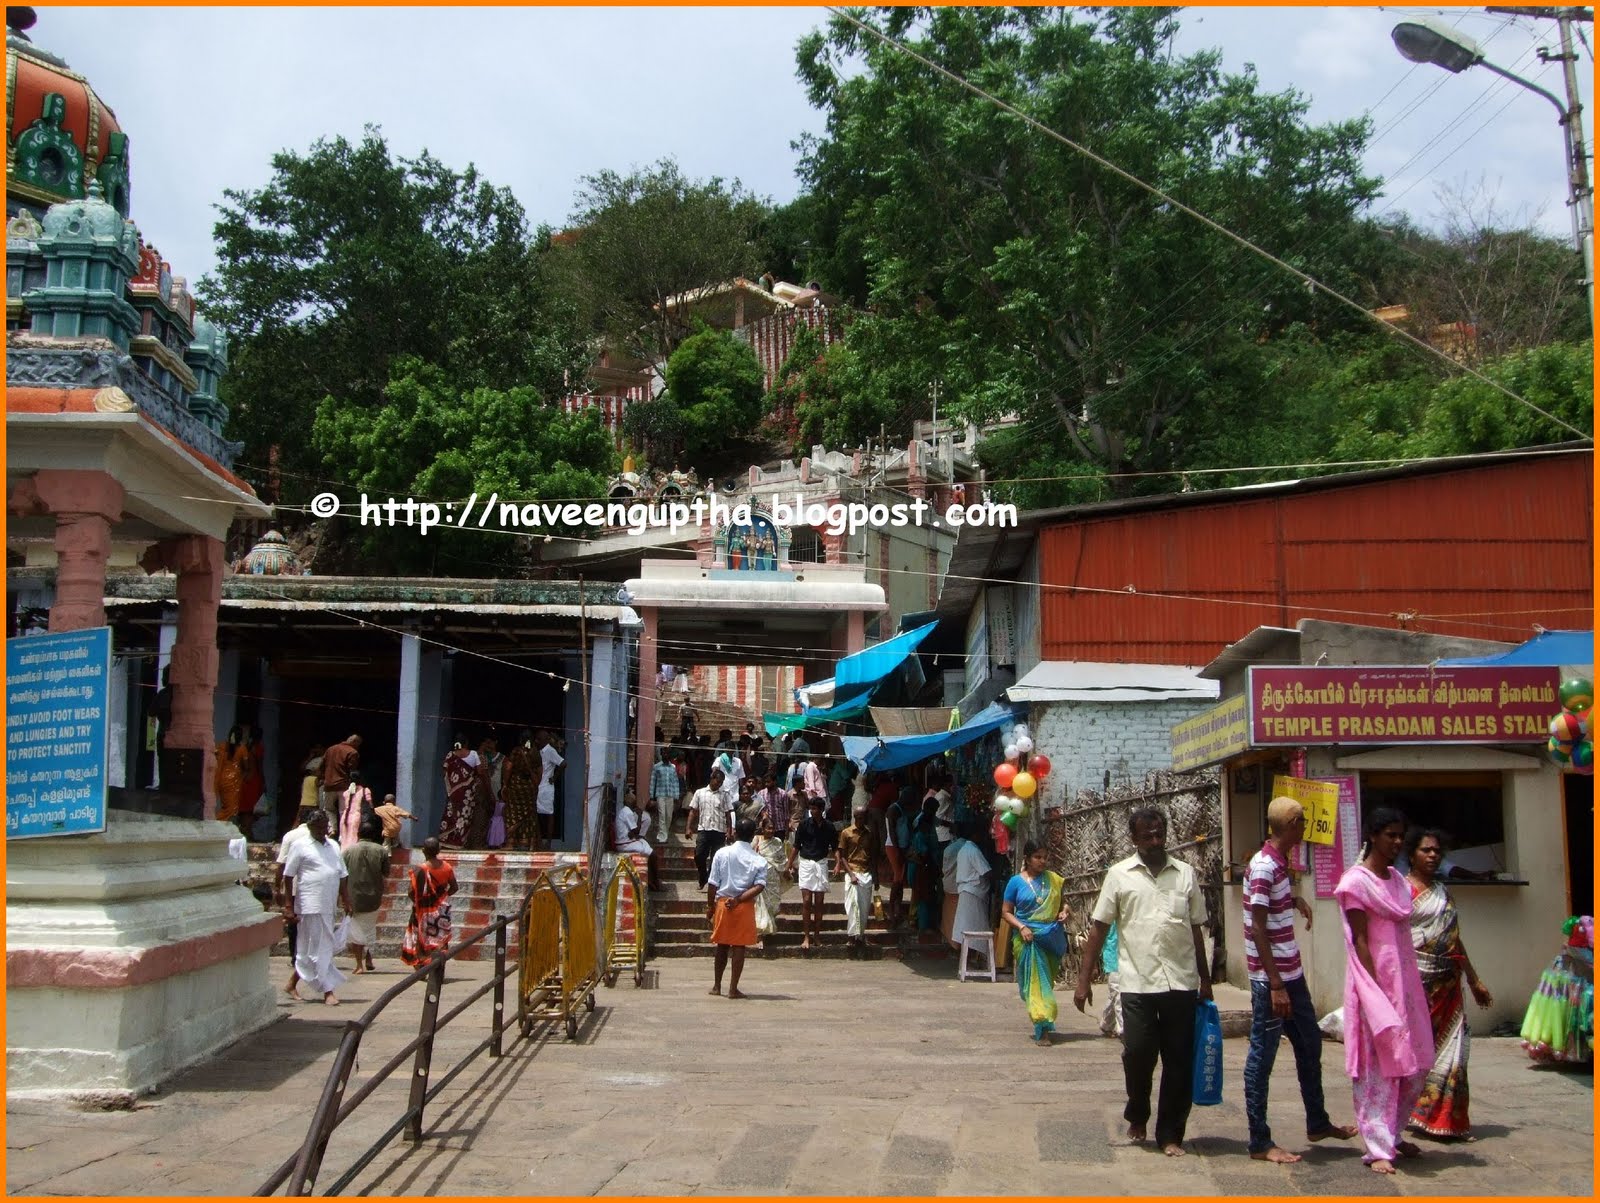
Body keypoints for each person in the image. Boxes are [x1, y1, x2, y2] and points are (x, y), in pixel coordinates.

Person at [1074, 807, 1213, 1157]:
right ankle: (1138, 1111)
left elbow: (1196, 928)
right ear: (1134, 838)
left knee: (1178, 1060)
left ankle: (1170, 1134)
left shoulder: (1185, 874)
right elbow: (1099, 926)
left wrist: (1206, 980)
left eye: (1159, 833)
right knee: (1137, 1053)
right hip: (1136, 982)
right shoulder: (1119, 875)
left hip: (1180, 982)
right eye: (1147, 835)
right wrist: (1083, 979)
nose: (1155, 840)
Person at [1242, 797, 1357, 1164]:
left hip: (1291, 974)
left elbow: (1268, 908)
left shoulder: (1278, 864)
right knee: (1262, 1058)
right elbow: (1257, 928)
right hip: (1271, 980)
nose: (1305, 827)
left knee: (1310, 1045)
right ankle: (1259, 1141)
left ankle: (1317, 1121)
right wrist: (1274, 984)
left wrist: (1292, 900)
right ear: (1291, 824)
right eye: (1302, 821)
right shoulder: (1262, 866)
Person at [1334, 807, 1432, 1174]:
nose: (1396, 842)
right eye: (1389, 835)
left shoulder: (1398, 882)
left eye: (1399, 836)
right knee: (1378, 1069)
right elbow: (1359, 940)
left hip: (1406, 984)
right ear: (1372, 836)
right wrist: (1375, 993)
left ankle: (1392, 1132)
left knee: (1415, 1063)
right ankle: (1377, 1147)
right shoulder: (1356, 883)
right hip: (1374, 986)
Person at [1405, 827, 1493, 1141]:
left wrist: (1474, 977)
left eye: (1436, 851)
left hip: (1449, 984)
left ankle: (1446, 1120)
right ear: (1411, 855)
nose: (1432, 856)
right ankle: (1411, 1112)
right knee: (1417, 1052)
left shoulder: (1443, 892)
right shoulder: (1402, 891)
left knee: (1455, 1053)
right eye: (1425, 850)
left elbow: (1454, 939)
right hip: (1416, 985)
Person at [281, 809, 352, 1005]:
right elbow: (288, 876)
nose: (322, 831)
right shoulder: (300, 845)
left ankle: (292, 983)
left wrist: (346, 899)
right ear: (310, 827)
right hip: (309, 903)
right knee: (319, 948)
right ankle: (328, 991)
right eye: (318, 828)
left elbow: (342, 875)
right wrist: (288, 904)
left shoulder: (334, 846)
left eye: (325, 827)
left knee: (319, 947)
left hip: (329, 904)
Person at [1002, 841, 1070, 1043]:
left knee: (1044, 983)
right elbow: (1006, 912)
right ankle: (1042, 1023)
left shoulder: (1053, 880)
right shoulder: (1015, 882)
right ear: (1027, 858)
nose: (1042, 861)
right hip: (1027, 938)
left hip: (1050, 936)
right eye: (1037, 857)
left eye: (1045, 857)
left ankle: (1043, 1023)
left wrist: (1065, 912)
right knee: (1032, 985)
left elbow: (1064, 903)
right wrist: (1021, 927)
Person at [706, 818, 768, 998]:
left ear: (735, 832)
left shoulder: (722, 853)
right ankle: (733, 988)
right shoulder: (758, 859)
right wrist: (739, 899)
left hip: (723, 903)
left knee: (722, 946)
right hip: (744, 904)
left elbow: (712, 883)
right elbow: (759, 885)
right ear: (753, 836)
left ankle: (717, 986)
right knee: (739, 947)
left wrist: (710, 907)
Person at [273, 805, 317, 998]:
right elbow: (286, 868)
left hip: (301, 890)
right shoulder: (304, 840)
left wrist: (277, 886)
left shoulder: (291, 836)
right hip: (308, 890)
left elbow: (281, 865)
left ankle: (296, 957)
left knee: (297, 929)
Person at [788, 794, 837, 952]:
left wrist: (837, 864)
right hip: (806, 863)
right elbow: (796, 846)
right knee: (807, 901)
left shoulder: (829, 826)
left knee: (819, 902)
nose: (812, 811)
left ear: (821, 810)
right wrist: (789, 864)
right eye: (811, 808)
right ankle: (806, 936)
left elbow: (835, 847)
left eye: (815, 808)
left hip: (821, 863)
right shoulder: (803, 825)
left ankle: (817, 935)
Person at [401, 837, 459, 969]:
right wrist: (442, 897)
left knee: (420, 938)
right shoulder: (447, 867)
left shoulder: (420, 869)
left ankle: (421, 967)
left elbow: (411, 892)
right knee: (440, 938)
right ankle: (438, 967)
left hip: (422, 910)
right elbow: (454, 887)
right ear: (439, 850)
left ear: (423, 851)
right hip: (440, 910)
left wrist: (421, 903)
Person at [342, 817, 391, 974]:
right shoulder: (381, 851)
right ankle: (368, 957)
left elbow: (342, 874)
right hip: (373, 896)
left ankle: (359, 964)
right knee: (369, 929)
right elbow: (386, 872)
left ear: (358, 833)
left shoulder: (348, 851)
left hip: (353, 896)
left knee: (356, 930)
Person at [834, 805, 880, 954]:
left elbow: (873, 856)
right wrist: (851, 874)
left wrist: (876, 876)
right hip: (852, 872)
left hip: (866, 873)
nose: (860, 820)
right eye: (858, 817)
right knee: (853, 906)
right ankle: (852, 936)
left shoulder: (870, 833)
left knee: (864, 908)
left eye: (863, 817)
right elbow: (843, 857)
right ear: (855, 817)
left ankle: (860, 935)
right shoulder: (846, 833)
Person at [944, 821, 992, 951]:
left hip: (966, 891)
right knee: (975, 928)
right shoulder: (973, 850)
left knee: (966, 926)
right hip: (973, 892)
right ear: (975, 835)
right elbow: (986, 871)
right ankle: (974, 954)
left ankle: (968, 955)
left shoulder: (964, 849)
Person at [685, 769, 735, 889]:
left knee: (715, 858)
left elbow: (728, 814)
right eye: (718, 781)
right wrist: (688, 828)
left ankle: (710, 881)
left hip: (719, 830)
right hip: (704, 829)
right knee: (699, 855)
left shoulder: (724, 795)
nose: (719, 784)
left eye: (721, 782)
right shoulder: (700, 793)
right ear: (712, 778)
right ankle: (703, 876)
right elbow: (693, 811)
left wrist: (729, 830)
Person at [438, 739, 489, 850]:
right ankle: (460, 842)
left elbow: (444, 771)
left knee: (451, 814)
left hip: (454, 792)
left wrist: (455, 783)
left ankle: (447, 841)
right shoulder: (474, 754)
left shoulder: (451, 755)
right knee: (465, 816)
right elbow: (480, 771)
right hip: (468, 792)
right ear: (466, 743)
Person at [907, 800, 942, 936]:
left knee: (921, 894)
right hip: (921, 867)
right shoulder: (921, 826)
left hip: (924, 865)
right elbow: (924, 853)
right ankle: (918, 923)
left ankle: (917, 921)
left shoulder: (929, 821)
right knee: (921, 894)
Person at [751, 811, 788, 940]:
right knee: (761, 906)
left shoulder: (777, 841)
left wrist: (786, 872)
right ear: (763, 829)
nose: (771, 831)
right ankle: (760, 935)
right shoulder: (756, 840)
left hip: (773, 877)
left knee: (773, 905)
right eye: (768, 828)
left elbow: (782, 859)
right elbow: (750, 857)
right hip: (760, 877)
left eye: (773, 828)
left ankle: (769, 930)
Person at [501, 731, 540, 851]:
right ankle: (527, 843)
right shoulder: (536, 753)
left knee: (512, 813)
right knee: (528, 814)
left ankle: (511, 843)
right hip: (530, 787)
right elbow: (539, 771)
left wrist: (505, 784)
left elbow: (508, 768)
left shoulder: (516, 751)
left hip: (516, 787)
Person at [614, 792, 661, 891]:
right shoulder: (628, 812)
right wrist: (639, 815)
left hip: (629, 840)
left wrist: (633, 833)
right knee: (653, 855)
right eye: (635, 802)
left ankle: (652, 880)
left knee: (648, 848)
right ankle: (655, 881)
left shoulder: (624, 811)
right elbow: (636, 831)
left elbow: (633, 833)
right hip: (625, 844)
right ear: (632, 802)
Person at [321, 734, 362, 819]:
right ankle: (344, 831)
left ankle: (332, 830)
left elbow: (322, 765)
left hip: (328, 785)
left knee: (328, 809)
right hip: (343, 786)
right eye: (358, 745)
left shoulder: (330, 749)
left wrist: (323, 778)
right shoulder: (352, 752)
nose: (358, 747)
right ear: (355, 742)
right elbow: (352, 771)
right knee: (344, 811)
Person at [213, 724, 248, 824]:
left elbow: (214, 754)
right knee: (231, 808)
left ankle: (218, 822)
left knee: (225, 806)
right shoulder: (242, 749)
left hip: (222, 779)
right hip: (234, 781)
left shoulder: (222, 746)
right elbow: (246, 766)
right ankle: (216, 822)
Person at [535, 730, 564, 845]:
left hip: (546, 787)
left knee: (549, 814)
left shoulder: (550, 751)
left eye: (539, 739)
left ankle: (548, 842)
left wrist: (554, 778)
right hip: (538, 786)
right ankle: (539, 840)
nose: (537, 741)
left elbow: (563, 764)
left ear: (546, 740)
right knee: (536, 814)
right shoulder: (539, 751)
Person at [649, 746, 682, 842]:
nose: (665, 755)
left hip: (670, 795)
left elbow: (675, 782)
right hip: (660, 794)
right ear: (661, 754)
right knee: (662, 815)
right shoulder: (657, 767)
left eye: (667, 753)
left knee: (669, 816)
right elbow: (653, 781)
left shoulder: (673, 767)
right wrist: (652, 796)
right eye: (663, 753)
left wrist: (676, 795)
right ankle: (661, 837)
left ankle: (665, 834)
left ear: (669, 755)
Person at [238, 725, 266, 836]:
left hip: (244, 780)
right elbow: (260, 766)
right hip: (254, 780)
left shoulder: (244, 748)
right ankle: (247, 831)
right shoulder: (258, 748)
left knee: (245, 809)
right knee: (251, 809)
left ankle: (245, 830)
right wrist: (263, 782)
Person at [338, 770, 373, 850]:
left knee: (345, 840)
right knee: (354, 839)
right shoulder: (365, 791)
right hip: (358, 817)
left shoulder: (346, 793)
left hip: (345, 818)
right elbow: (370, 805)